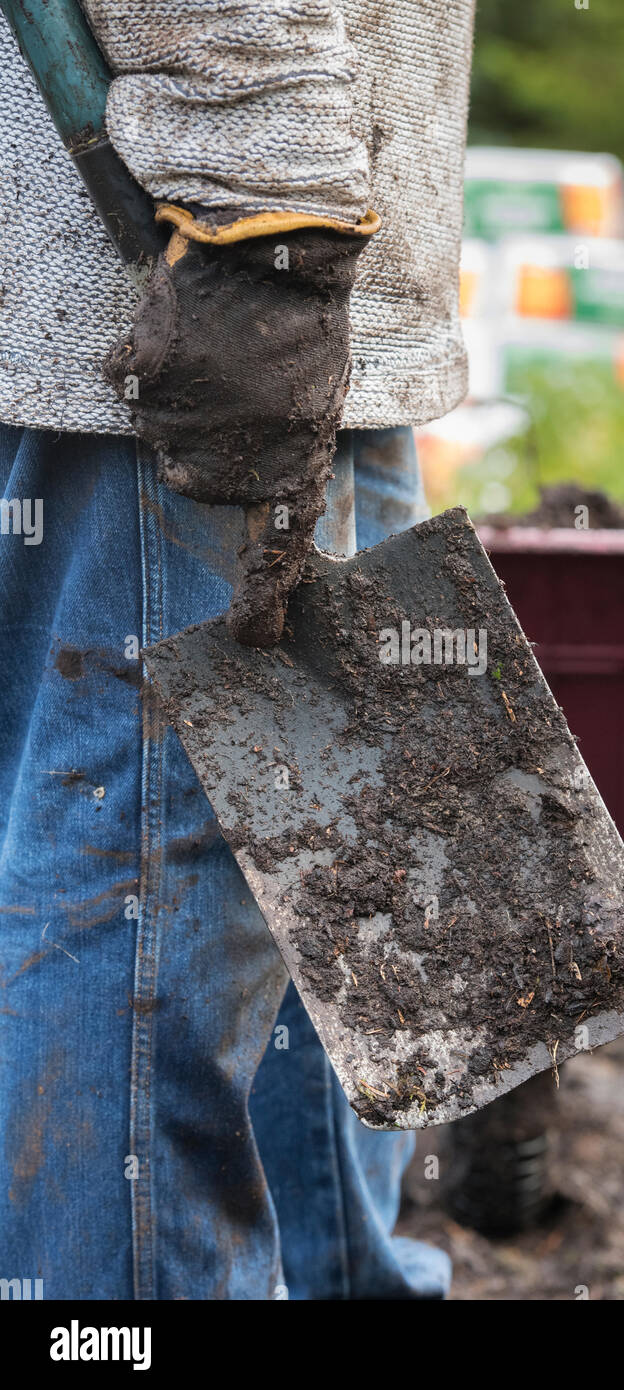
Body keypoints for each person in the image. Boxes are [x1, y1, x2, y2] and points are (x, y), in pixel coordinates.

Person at [0, 0, 475, 1299]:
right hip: (204, 256)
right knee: (154, 875)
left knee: (351, 854)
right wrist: (258, 199)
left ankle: (347, 1280)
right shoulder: (251, 198)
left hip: (324, 272)